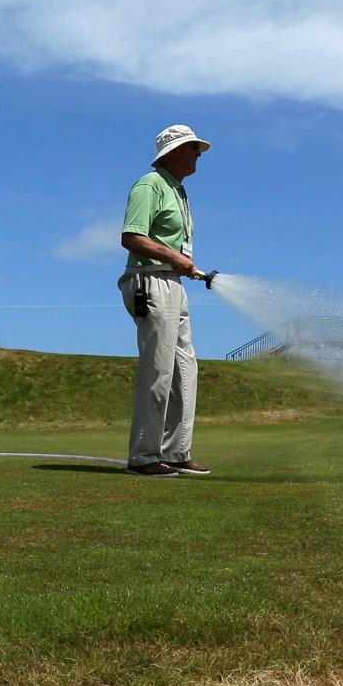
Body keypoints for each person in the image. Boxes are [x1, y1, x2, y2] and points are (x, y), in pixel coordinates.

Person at [117, 124, 214, 477]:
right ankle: (143, 456)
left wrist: (179, 263)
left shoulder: (178, 191)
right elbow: (131, 237)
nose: (198, 154)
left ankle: (175, 452)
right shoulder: (150, 185)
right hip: (150, 281)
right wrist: (173, 257)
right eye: (192, 148)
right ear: (172, 153)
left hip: (173, 283)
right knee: (158, 369)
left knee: (185, 370)